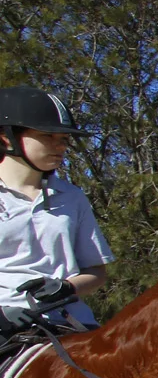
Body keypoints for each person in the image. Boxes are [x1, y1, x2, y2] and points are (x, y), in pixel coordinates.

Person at [0, 87, 112, 335]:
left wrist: (66, 288)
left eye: (63, 139)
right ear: (6, 137)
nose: (60, 146)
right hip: (6, 326)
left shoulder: (73, 197)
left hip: (72, 323)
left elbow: (96, 272)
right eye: (47, 136)